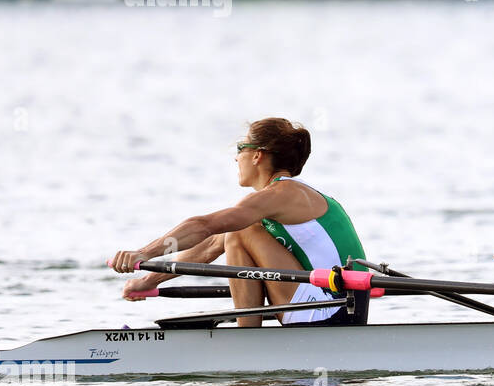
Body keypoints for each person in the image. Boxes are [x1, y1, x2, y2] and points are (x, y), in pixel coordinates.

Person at [109, 118, 366, 326]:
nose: (236, 158)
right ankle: (248, 336)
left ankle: (247, 339)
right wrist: (149, 281)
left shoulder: (283, 195)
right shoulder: (284, 199)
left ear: (257, 156)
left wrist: (142, 253)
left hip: (332, 311)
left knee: (238, 231)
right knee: (237, 232)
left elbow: (205, 225)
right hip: (341, 308)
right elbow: (209, 247)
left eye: (240, 149)